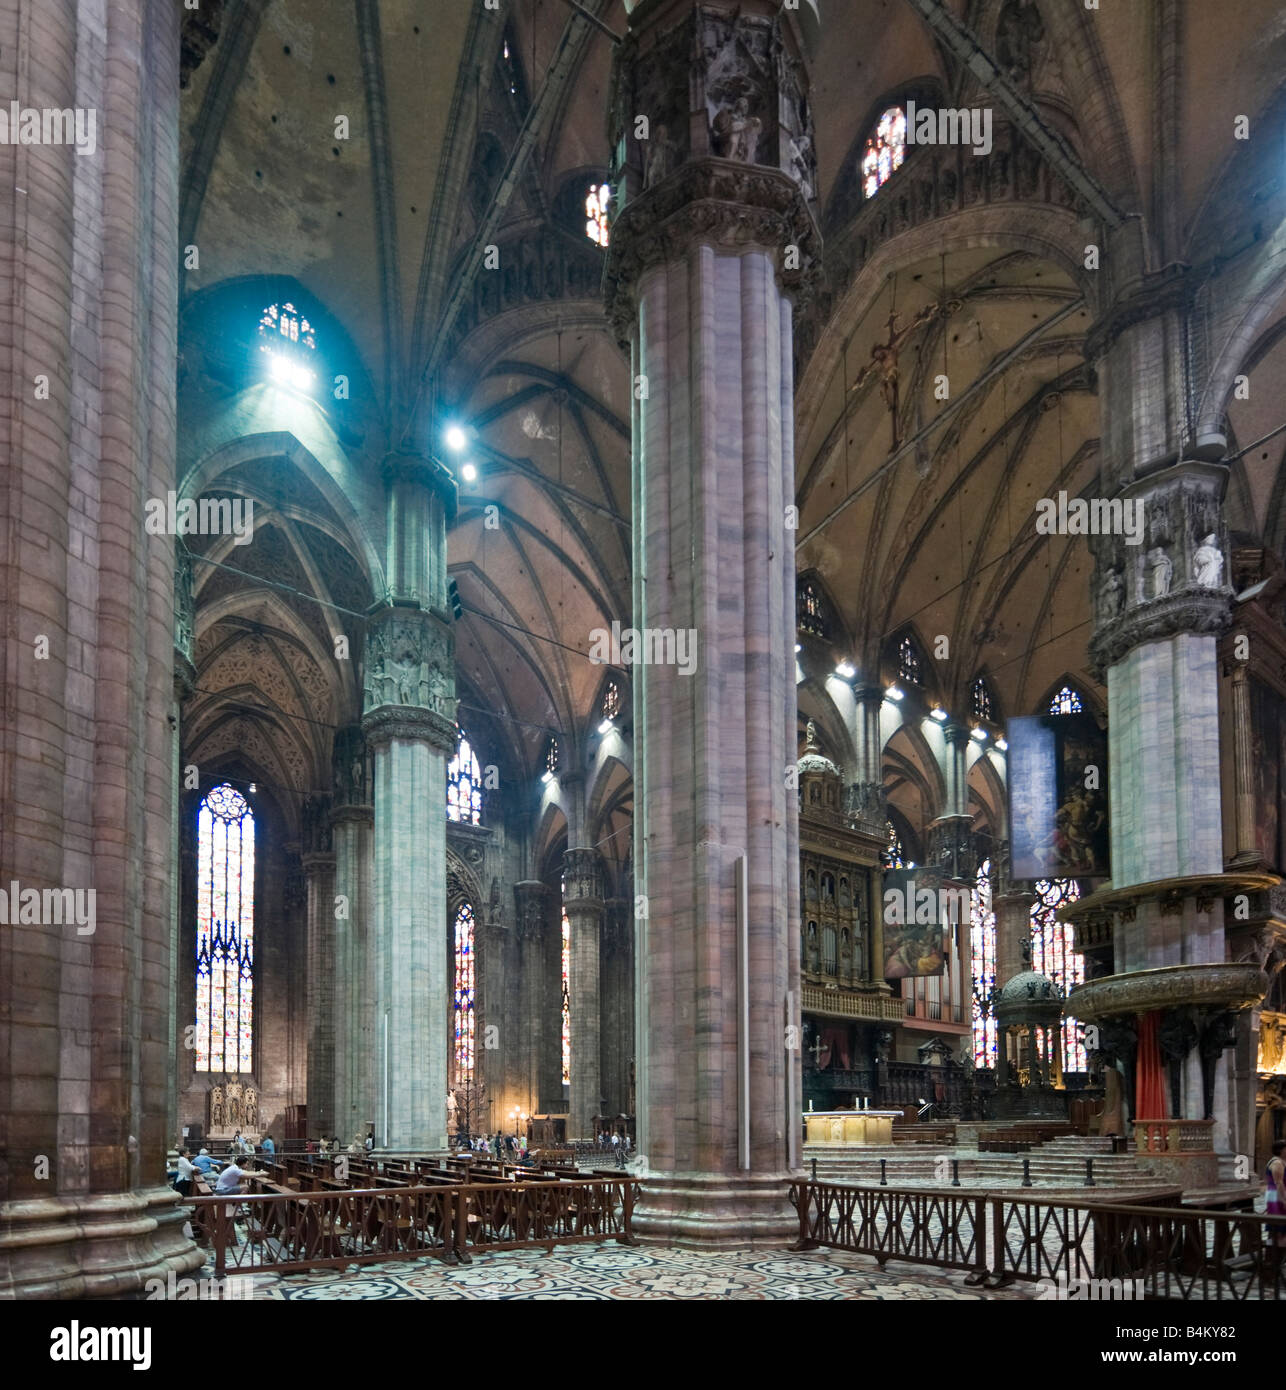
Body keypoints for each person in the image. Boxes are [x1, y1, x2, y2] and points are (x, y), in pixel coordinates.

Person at [1268, 1139, 1286, 1248]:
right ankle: (1275, 1258)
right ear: (1280, 1150)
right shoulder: (1277, 1162)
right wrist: (1284, 1200)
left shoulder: (1281, 1161)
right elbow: (1278, 1183)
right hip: (1276, 1197)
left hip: (1278, 1196)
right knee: (1279, 1228)